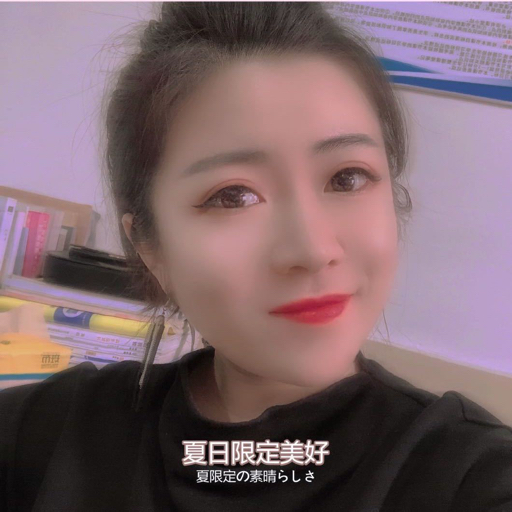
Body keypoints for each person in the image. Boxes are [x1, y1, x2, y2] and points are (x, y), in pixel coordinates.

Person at [1, 3, 511, 511]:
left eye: (347, 178)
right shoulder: (41, 437)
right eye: (233, 196)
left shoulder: (470, 478)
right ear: (151, 248)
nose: (313, 250)